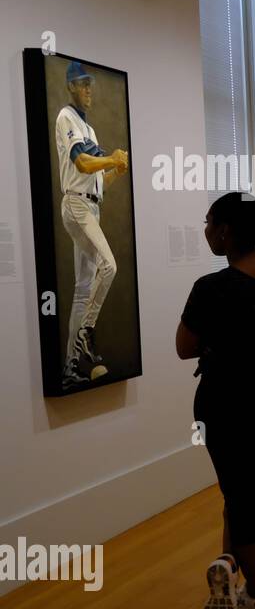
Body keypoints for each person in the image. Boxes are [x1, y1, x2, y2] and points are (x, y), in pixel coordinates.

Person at [177, 193, 255, 609]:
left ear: (225, 231)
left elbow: (183, 347)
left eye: (208, 223)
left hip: (226, 399)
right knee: (244, 482)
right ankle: (229, 563)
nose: (206, 230)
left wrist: (217, 341)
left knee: (242, 490)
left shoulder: (210, 288)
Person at [55, 61, 129, 391]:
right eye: (82, 83)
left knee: (83, 289)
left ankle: (70, 365)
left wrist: (117, 170)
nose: (88, 89)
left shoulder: (91, 129)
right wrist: (112, 159)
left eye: (90, 83)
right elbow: (83, 163)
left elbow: (99, 184)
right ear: (71, 86)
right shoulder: (65, 117)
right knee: (109, 266)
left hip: (90, 205)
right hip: (75, 205)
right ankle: (87, 333)